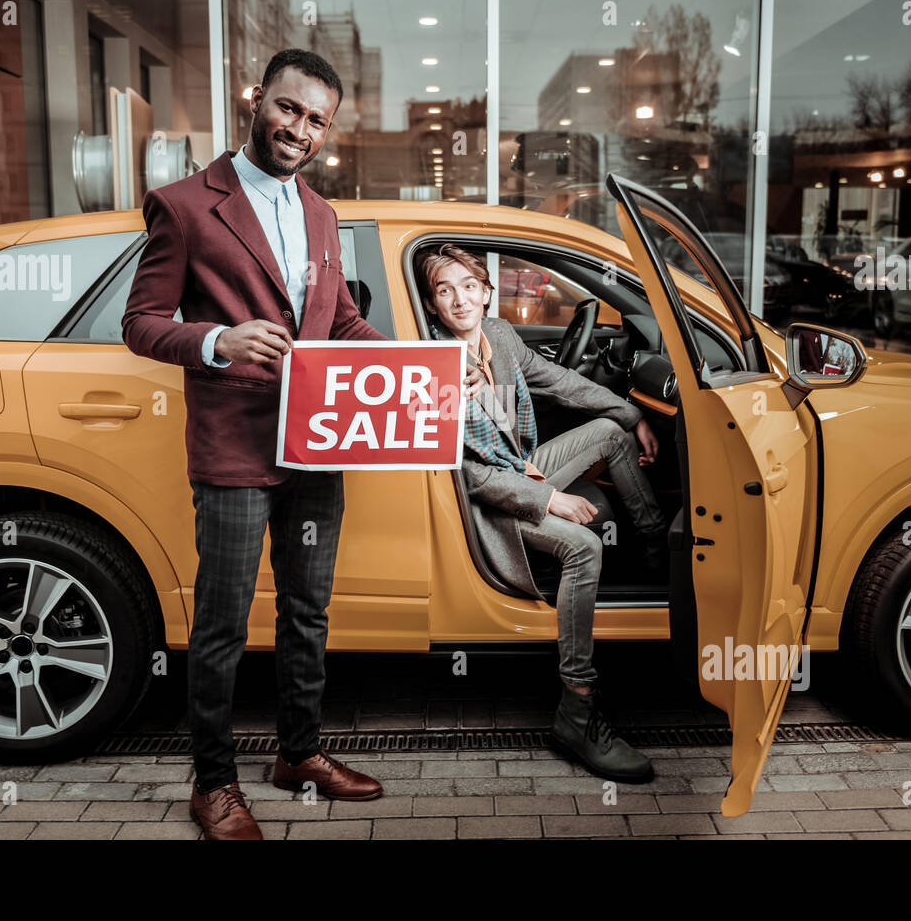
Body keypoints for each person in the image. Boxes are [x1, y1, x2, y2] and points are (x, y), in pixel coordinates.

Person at [122, 49, 388, 840]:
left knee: (308, 611)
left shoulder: (322, 215)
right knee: (223, 623)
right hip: (235, 449)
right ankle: (213, 784)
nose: (298, 129)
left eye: (316, 120)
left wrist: (424, 370)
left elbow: (336, 321)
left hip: (314, 442)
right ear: (257, 100)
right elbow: (141, 323)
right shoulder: (184, 205)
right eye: (288, 108)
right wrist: (218, 343)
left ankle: (298, 755)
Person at [419, 244, 668, 782]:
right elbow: (467, 476)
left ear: (487, 292)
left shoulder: (501, 337)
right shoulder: (430, 366)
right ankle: (577, 707)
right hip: (492, 502)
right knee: (584, 546)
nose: (459, 300)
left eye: (468, 286)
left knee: (608, 433)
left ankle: (655, 549)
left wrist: (632, 414)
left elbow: (561, 383)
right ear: (433, 304)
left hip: (522, 467)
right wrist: (548, 499)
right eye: (444, 290)